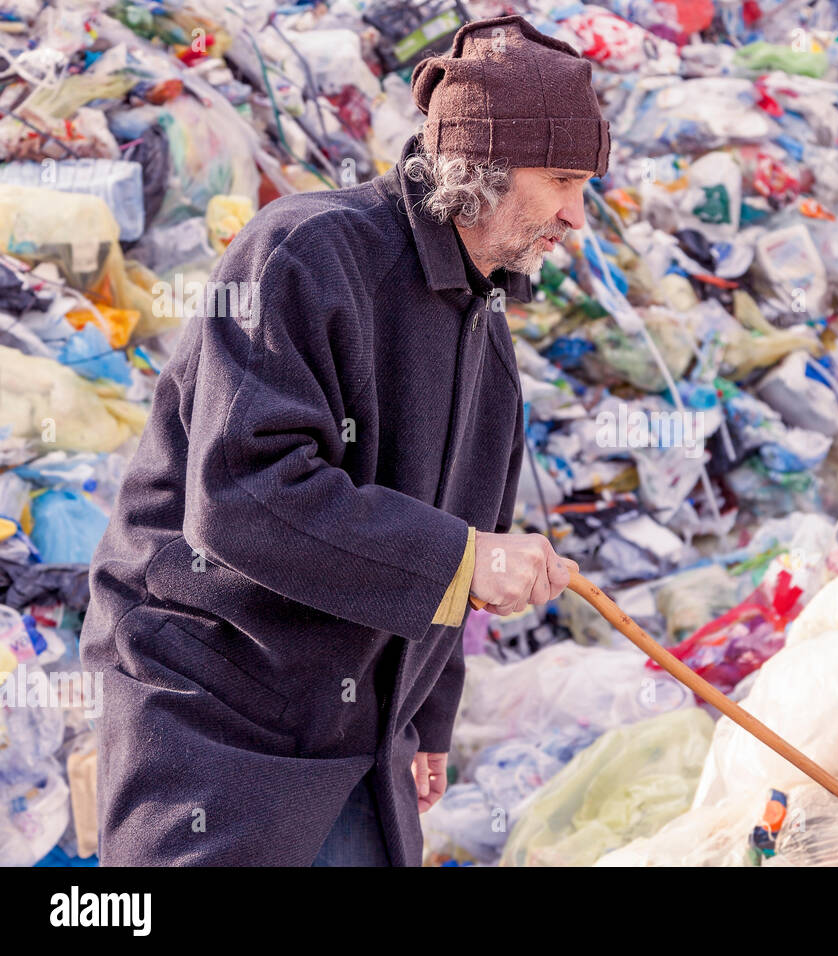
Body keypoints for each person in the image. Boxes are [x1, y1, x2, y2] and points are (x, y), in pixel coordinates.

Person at [79, 14, 610, 866]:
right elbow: (246, 494)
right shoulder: (304, 255)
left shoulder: (488, 336)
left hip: (359, 732)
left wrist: (428, 716)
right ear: (483, 166)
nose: (575, 214)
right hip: (216, 722)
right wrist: (471, 561)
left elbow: (450, 539)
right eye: (560, 179)